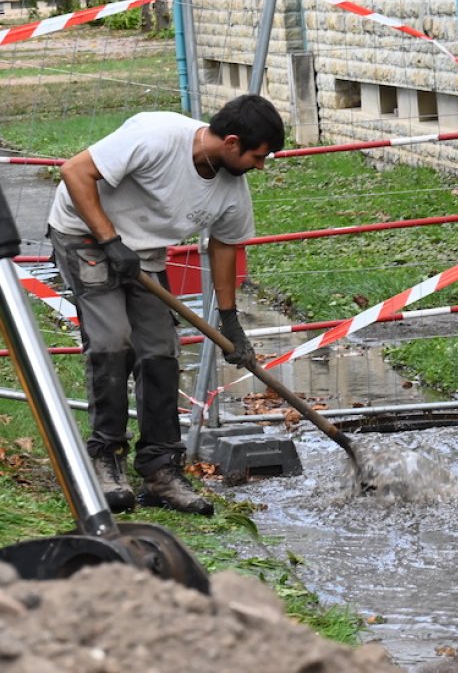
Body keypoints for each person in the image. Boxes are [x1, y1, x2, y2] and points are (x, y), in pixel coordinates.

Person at [46, 94, 285, 514]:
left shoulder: (232, 189)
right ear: (231, 142)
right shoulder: (156, 137)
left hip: (143, 253)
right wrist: (108, 240)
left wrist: (229, 320)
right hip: (85, 233)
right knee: (111, 343)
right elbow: (74, 171)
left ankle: (161, 470)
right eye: (258, 156)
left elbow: (225, 247)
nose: (260, 166)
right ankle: (105, 458)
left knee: (159, 351)